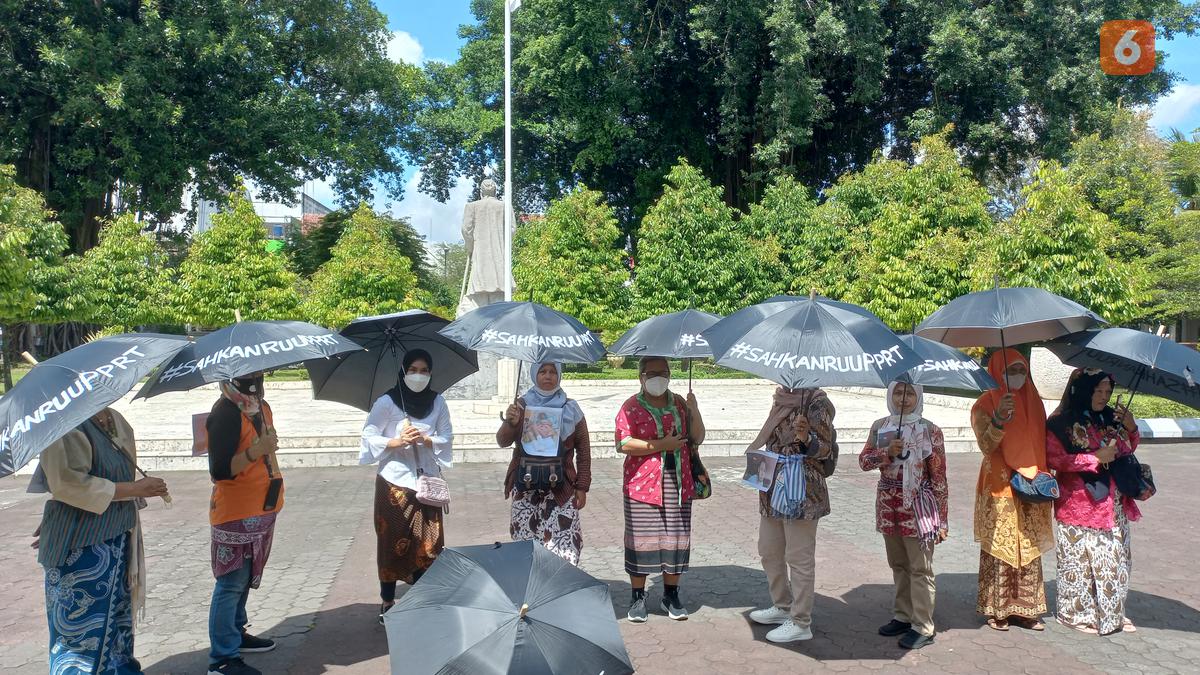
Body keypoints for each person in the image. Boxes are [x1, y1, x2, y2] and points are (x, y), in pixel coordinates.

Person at [35, 408, 168, 674]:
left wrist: (135, 488)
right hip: (81, 544)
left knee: (117, 621)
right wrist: (135, 489)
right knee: (80, 633)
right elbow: (66, 483)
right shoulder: (63, 423)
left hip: (118, 534)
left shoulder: (115, 419)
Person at [1046, 369, 1144, 635]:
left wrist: (1132, 428)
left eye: (1107, 391)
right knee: (1079, 563)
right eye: (1098, 390)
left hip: (1114, 502)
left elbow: (1128, 448)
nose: (1104, 396)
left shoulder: (1112, 418)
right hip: (1079, 502)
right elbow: (1054, 459)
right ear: (1083, 390)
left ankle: (1112, 613)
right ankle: (1075, 615)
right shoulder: (1060, 422)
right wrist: (1093, 458)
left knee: (1116, 559)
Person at [360, 349, 453, 624]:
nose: (418, 376)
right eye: (413, 370)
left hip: (427, 481)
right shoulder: (387, 402)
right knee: (392, 543)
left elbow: (447, 436)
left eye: (424, 371)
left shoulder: (438, 402)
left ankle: (424, 599)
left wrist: (426, 440)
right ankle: (388, 601)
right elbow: (369, 435)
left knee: (429, 544)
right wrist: (397, 441)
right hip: (394, 483)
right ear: (403, 371)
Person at [616, 356, 708, 623]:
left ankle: (671, 594)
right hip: (642, 484)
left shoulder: (679, 403)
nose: (659, 378)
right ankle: (637, 597)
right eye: (652, 373)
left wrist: (694, 410)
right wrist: (660, 445)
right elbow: (623, 443)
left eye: (663, 372)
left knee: (675, 538)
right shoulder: (631, 407)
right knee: (640, 538)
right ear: (641, 377)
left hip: (678, 481)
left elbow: (697, 437)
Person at [858, 382, 949, 650]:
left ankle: (923, 626)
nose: (903, 398)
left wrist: (942, 519)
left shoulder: (930, 430)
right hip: (888, 505)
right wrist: (886, 453)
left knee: (920, 567)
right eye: (898, 392)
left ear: (918, 396)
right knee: (898, 563)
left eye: (910, 393)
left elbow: (939, 478)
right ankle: (903, 615)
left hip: (918, 506)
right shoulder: (880, 427)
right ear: (890, 395)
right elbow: (864, 462)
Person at [970, 349, 1054, 631]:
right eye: (1010, 371)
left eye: (1021, 371)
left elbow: (1044, 443)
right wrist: (998, 419)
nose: (1017, 376)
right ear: (997, 372)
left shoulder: (1034, 401)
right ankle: (998, 610)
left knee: (1028, 545)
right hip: (1000, 484)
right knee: (1001, 546)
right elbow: (985, 446)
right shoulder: (984, 404)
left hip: (1032, 484)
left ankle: (1027, 609)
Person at [206, 373, 284, 675]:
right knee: (230, 584)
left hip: (263, 506)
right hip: (235, 512)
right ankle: (222, 658)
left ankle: (237, 633)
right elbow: (220, 470)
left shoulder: (260, 407)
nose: (254, 379)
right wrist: (257, 449)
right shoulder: (225, 412)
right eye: (247, 375)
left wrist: (267, 444)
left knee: (245, 578)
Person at [747, 386, 837, 643]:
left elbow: (825, 450)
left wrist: (806, 437)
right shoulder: (780, 399)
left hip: (802, 490)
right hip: (772, 482)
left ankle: (800, 621)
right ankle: (782, 606)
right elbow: (771, 440)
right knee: (769, 550)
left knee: (799, 557)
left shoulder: (817, 403)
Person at [499, 362, 592, 565]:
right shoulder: (521, 406)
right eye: (542, 371)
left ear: (559, 375)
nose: (548, 376)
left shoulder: (571, 408)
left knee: (565, 548)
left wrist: (582, 487)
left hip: (561, 489)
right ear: (534, 374)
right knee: (525, 548)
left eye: (552, 372)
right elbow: (502, 441)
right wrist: (510, 422)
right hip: (526, 488)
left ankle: (559, 583)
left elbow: (583, 450)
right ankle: (529, 584)